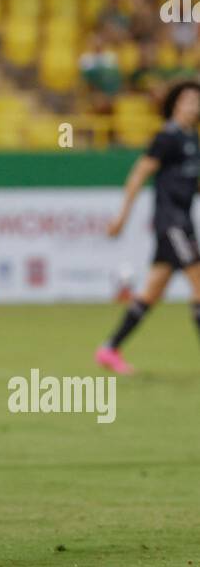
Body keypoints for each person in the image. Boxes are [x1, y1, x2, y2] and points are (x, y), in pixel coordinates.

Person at [96, 80, 200, 374]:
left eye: (197, 100)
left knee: (150, 293)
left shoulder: (192, 139)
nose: (194, 105)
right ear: (176, 104)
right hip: (171, 223)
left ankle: (109, 348)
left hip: (185, 221)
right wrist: (122, 217)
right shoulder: (166, 137)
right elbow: (139, 174)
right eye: (188, 100)